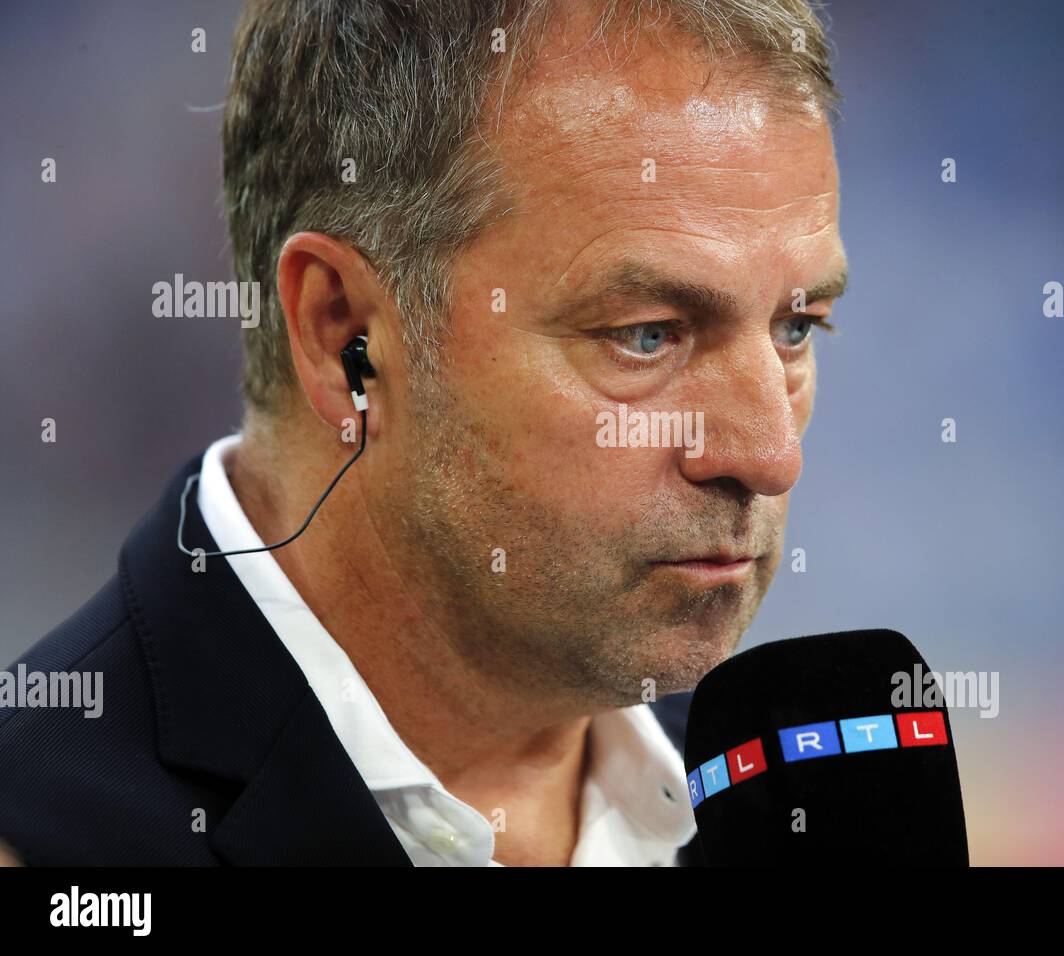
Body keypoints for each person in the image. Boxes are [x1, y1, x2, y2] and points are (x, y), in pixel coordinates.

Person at [0, 0, 847, 866]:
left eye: (796, 327)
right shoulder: (49, 836)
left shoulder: (796, 798)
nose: (770, 455)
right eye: (646, 335)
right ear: (345, 338)